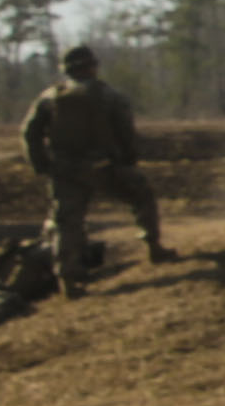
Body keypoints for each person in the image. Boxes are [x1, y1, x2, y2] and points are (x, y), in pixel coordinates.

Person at [20, 41, 170, 282]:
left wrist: (42, 165)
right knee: (142, 195)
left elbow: (29, 133)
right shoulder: (109, 95)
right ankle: (153, 245)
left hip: (65, 170)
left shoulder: (50, 97)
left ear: (66, 69)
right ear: (92, 67)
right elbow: (126, 132)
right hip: (105, 167)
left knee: (67, 222)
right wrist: (128, 160)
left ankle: (67, 276)